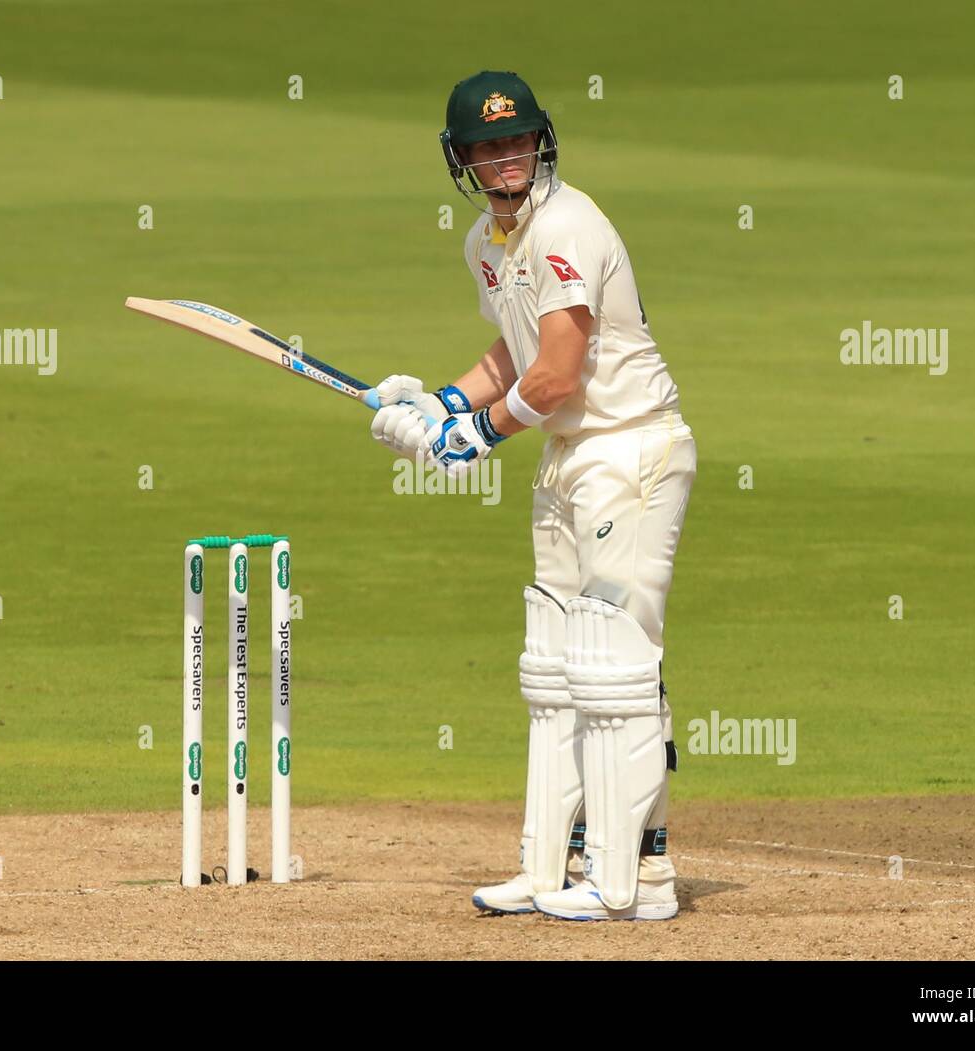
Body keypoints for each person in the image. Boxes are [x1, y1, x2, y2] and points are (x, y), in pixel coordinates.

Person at [370, 70, 696, 921]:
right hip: (567, 459)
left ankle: (635, 879)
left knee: (615, 667)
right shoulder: (487, 242)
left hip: (629, 450)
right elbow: (514, 354)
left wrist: (475, 435)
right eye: (487, 146)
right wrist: (440, 403)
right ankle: (550, 866)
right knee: (554, 667)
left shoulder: (566, 224)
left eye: (517, 140)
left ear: (541, 140)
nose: (506, 156)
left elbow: (558, 370)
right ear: (463, 160)